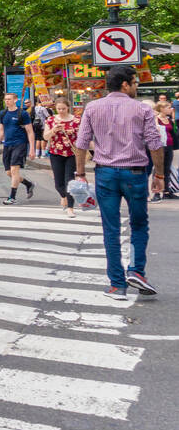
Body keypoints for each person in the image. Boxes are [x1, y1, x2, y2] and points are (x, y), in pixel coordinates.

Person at [75, 65, 164, 299]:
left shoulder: (92, 107)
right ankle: (136, 270)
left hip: (105, 173)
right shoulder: (141, 109)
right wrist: (160, 175)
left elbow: (81, 142)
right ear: (125, 84)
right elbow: (154, 143)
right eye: (135, 83)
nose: (136, 87)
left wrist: (80, 172)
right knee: (138, 223)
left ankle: (117, 284)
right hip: (134, 173)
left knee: (111, 229)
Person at [0, 91, 36, 204]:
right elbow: (1, 130)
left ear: (15, 100)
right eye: (6, 99)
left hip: (20, 144)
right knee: (9, 173)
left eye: (9, 99)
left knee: (14, 170)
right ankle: (28, 184)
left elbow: (30, 132)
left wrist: (32, 148)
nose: (7, 101)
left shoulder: (22, 113)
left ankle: (12, 197)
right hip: (7, 144)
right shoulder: (3, 113)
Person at [45, 98, 80, 218]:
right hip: (55, 153)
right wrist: (53, 130)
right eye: (58, 109)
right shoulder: (50, 120)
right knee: (58, 183)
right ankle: (63, 196)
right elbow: (45, 136)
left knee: (69, 180)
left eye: (63, 109)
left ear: (68, 108)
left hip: (72, 153)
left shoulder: (76, 120)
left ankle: (70, 207)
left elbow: (83, 137)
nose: (61, 111)